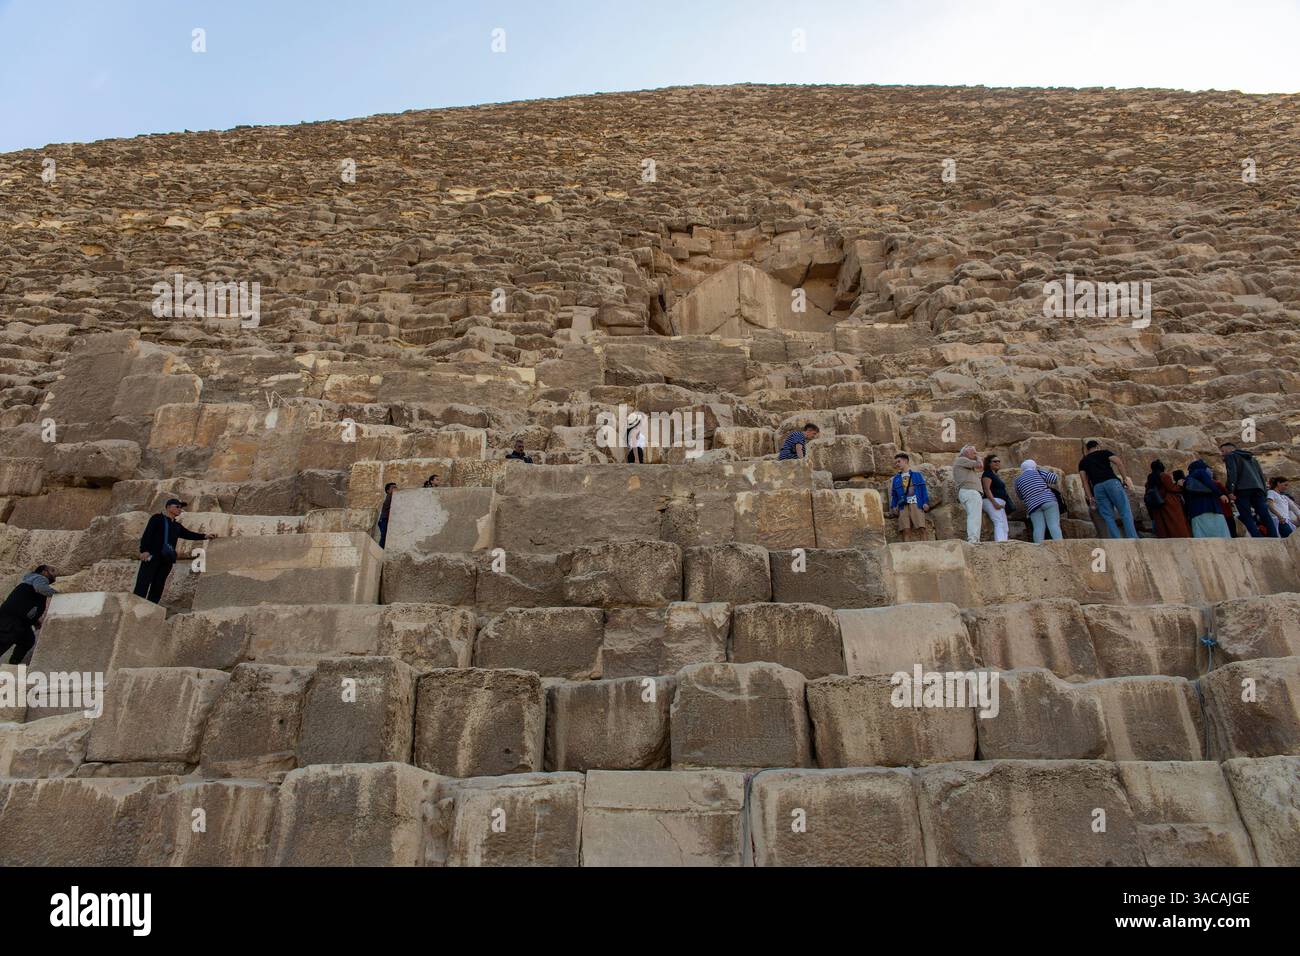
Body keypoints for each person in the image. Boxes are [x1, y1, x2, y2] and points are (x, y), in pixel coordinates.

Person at [136, 499, 215, 604]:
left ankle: (151, 606)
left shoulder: (176, 525)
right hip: (152, 555)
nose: (180, 509)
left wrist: (205, 536)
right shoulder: (157, 518)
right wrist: (144, 550)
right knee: (144, 581)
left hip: (166, 559)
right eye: (177, 507)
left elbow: (188, 534)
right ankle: (136, 604)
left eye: (180, 507)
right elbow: (147, 534)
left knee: (159, 584)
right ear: (168, 507)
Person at [1077, 440, 1138, 539]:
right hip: (1112, 482)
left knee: (1108, 516)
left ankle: (1117, 540)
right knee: (1125, 511)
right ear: (1097, 446)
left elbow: (1084, 481)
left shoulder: (1083, 461)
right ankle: (1132, 537)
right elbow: (1119, 463)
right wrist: (1125, 479)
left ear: (1087, 450)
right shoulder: (1104, 452)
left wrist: (1090, 497)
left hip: (1098, 488)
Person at [0, 565, 57, 665]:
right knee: (4, 640)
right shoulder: (40, 578)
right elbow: (40, 588)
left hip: (20, 621)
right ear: (44, 572)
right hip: (13, 620)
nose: (55, 574)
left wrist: (35, 621)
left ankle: (12, 665)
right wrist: (59, 595)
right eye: (52, 571)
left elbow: (27, 603)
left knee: (27, 640)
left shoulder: (30, 581)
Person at [1221, 443, 1277, 538]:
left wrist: (1230, 490)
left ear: (1229, 449)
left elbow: (1233, 474)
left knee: (1246, 515)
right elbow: (1261, 475)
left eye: (1222, 451)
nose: (1222, 454)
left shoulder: (1231, 456)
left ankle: (1257, 537)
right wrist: (1264, 491)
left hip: (1242, 489)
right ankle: (1274, 536)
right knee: (1264, 514)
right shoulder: (1252, 458)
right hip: (1258, 489)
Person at [1013, 460, 1063, 542]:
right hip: (1048, 500)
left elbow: (1020, 496)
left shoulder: (1018, 480)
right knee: (1053, 525)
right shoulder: (1039, 472)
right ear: (1034, 466)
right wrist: (1042, 469)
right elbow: (1054, 478)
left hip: (1033, 506)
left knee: (1038, 528)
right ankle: (1060, 544)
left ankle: (1038, 548)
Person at [887, 453, 931, 542]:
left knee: (921, 527)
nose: (897, 464)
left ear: (906, 461)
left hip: (916, 503)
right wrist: (894, 506)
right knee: (905, 530)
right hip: (903, 505)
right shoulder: (896, 478)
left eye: (899, 461)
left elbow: (923, 490)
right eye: (896, 463)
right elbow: (894, 494)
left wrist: (925, 502)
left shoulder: (917, 475)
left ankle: (927, 547)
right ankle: (907, 549)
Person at [1182, 459, 1232, 538]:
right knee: (1222, 536)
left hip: (1195, 513)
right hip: (1211, 509)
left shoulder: (1186, 481)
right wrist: (1220, 495)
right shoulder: (1200, 472)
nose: (1210, 471)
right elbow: (1209, 483)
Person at [1144, 461, 1190, 538]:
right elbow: (1171, 488)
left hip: (1156, 503)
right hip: (1167, 503)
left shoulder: (1150, 478)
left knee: (1162, 525)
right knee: (1174, 522)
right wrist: (1181, 487)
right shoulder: (1164, 476)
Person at [953, 445, 984, 544]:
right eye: (973, 452)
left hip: (968, 491)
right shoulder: (961, 459)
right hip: (970, 491)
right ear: (966, 453)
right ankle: (973, 540)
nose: (975, 454)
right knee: (974, 516)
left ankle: (974, 539)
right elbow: (980, 466)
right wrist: (978, 457)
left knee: (974, 516)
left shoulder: (965, 463)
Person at [981, 454, 1010, 543]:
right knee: (999, 522)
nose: (997, 463)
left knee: (1005, 526)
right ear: (989, 463)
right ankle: (1000, 543)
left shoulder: (995, 475)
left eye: (998, 461)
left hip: (999, 503)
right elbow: (986, 489)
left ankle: (1004, 542)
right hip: (991, 501)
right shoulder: (987, 474)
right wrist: (994, 502)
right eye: (994, 461)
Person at [377, 483, 397, 549]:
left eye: (396, 487)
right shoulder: (390, 496)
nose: (395, 489)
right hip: (384, 519)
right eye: (393, 487)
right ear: (388, 490)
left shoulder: (392, 496)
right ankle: (380, 549)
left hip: (385, 519)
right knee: (384, 536)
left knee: (385, 536)